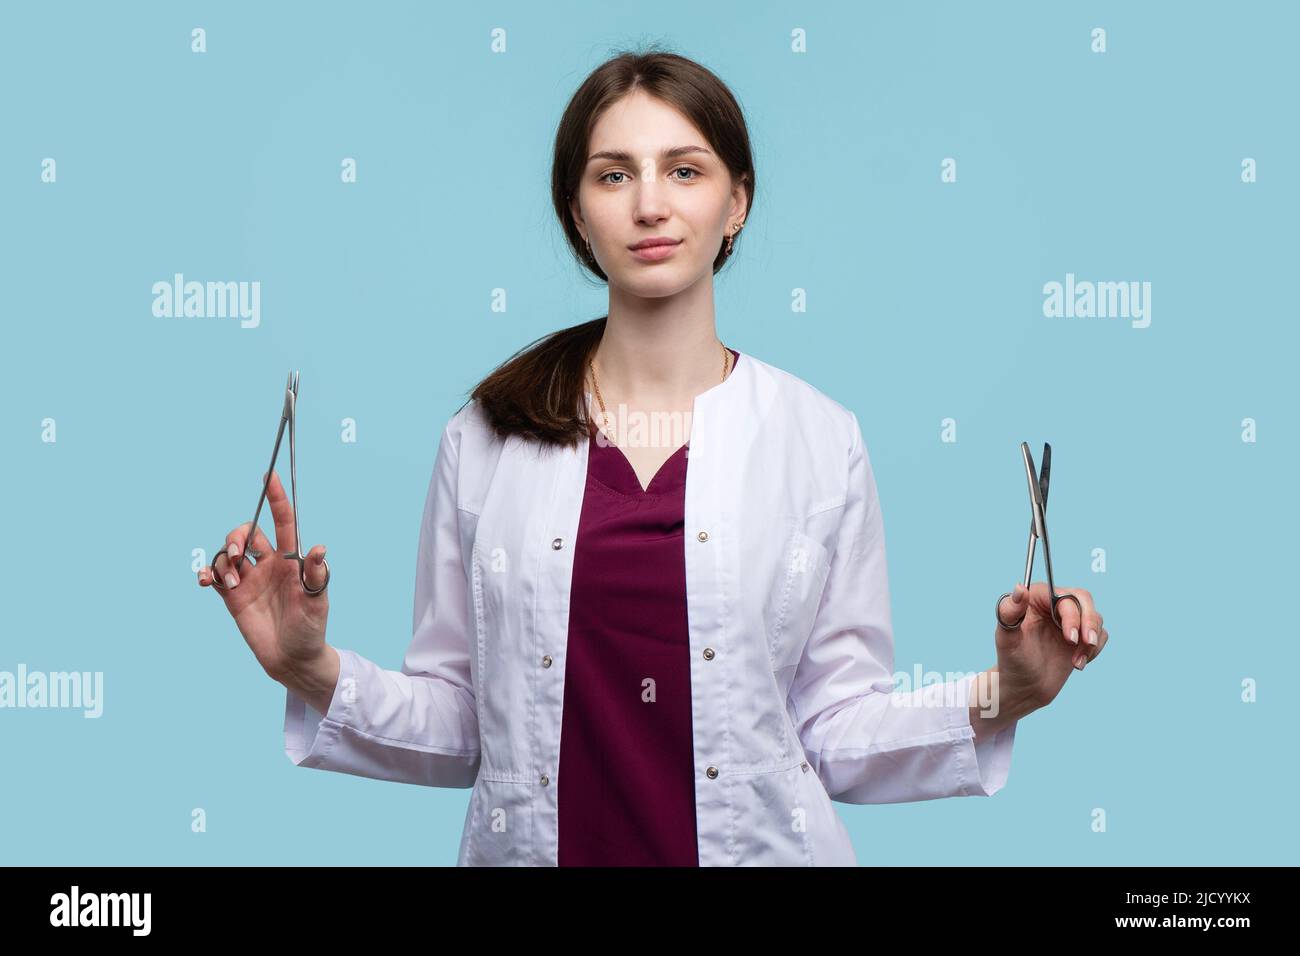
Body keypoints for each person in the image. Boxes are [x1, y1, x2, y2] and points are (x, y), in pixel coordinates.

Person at [199, 49, 1108, 866]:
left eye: (684, 169)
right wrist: (308, 668)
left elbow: (831, 731)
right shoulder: (482, 438)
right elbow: (472, 725)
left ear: (736, 202)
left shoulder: (819, 440)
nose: (649, 204)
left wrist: (1007, 694)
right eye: (612, 174)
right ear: (576, 210)